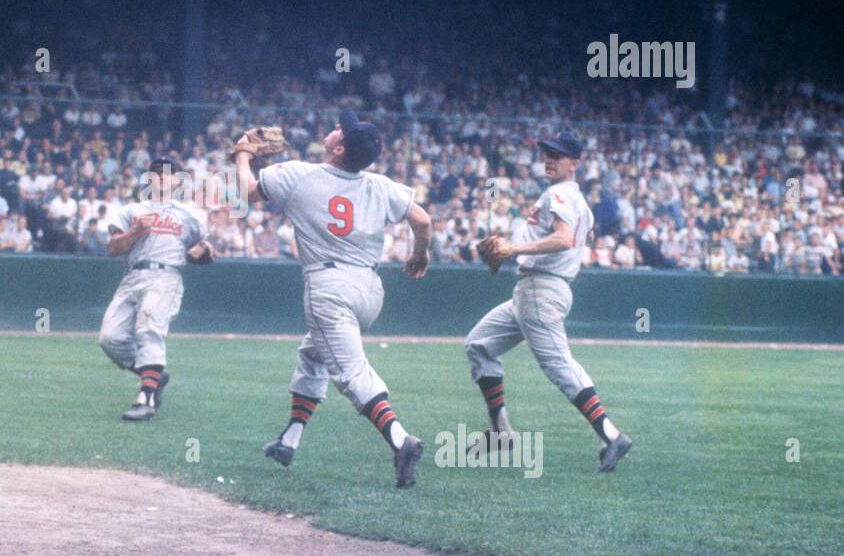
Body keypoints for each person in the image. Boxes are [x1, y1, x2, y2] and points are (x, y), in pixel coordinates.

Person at [235, 110, 432, 488]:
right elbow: (422, 220)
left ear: (339, 147)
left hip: (329, 288)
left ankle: (400, 440)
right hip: (370, 291)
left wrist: (243, 155)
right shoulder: (379, 183)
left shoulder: (298, 174)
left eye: (342, 129)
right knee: (313, 355)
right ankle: (289, 440)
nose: (336, 126)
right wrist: (420, 254)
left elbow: (245, 192)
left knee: (351, 372)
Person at [464, 132, 633, 473]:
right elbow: (566, 239)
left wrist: (513, 249)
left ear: (576, 163)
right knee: (479, 345)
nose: (550, 159)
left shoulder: (558, 193)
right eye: (547, 153)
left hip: (542, 290)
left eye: (558, 155)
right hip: (533, 290)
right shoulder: (580, 203)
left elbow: (562, 238)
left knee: (559, 365)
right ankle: (501, 432)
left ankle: (612, 435)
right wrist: (514, 251)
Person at [99, 156, 215, 422]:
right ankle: (155, 375)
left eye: (169, 173)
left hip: (165, 276)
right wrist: (135, 231)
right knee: (110, 339)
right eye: (156, 173)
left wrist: (204, 253)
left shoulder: (191, 215)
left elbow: (204, 253)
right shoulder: (131, 210)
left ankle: (145, 399)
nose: (162, 176)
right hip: (132, 276)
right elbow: (113, 249)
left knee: (149, 330)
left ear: (177, 180)